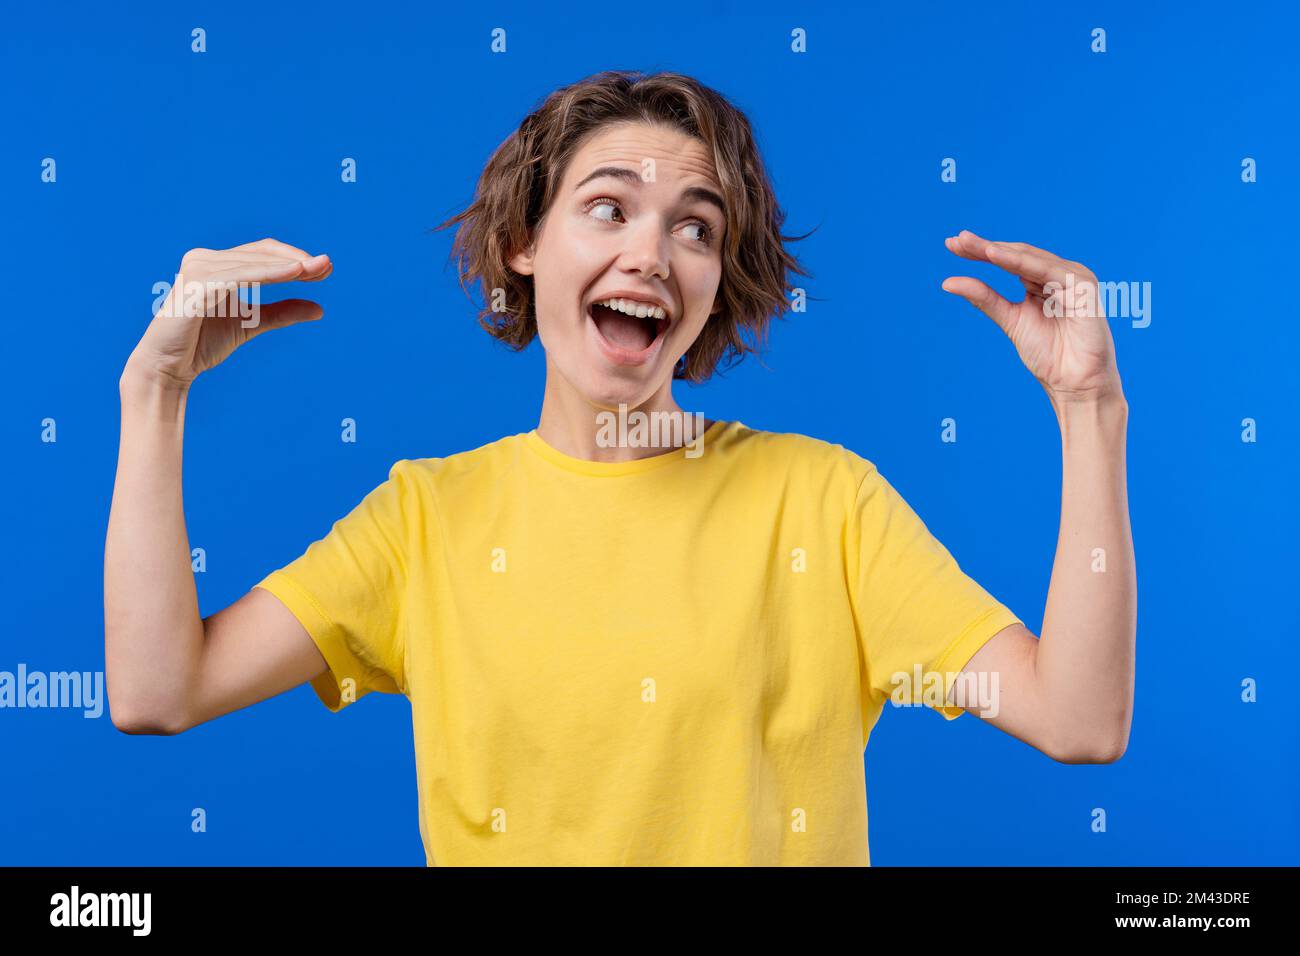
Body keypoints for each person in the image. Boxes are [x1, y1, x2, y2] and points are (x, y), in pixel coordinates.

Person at [104, 70, 1135, 866]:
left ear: (712, 280)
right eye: (608, 208)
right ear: (522, 243)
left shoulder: (823, 503)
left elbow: (1077, 719)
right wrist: (154, 395)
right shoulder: (424, 519)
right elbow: (159, 688)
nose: (651, 251)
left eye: (694, 226)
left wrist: (1089, 409)